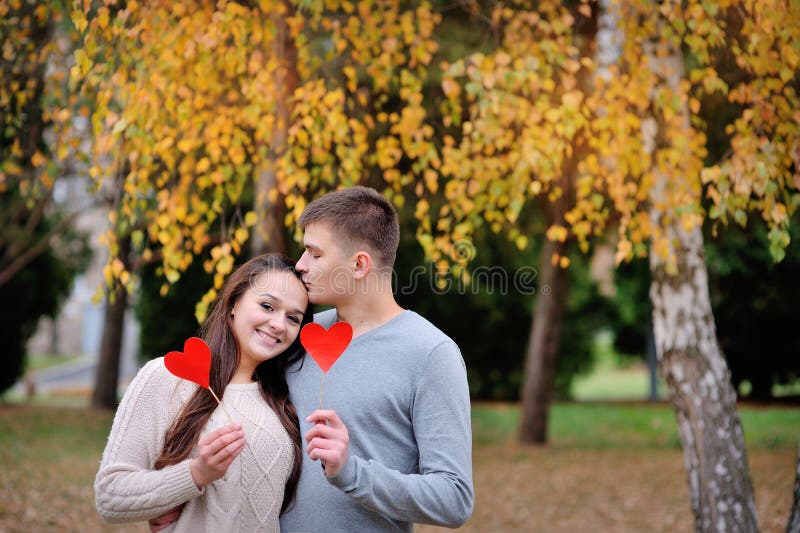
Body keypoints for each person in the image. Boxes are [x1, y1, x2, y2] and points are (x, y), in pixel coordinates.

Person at [282, 186, 474, 531]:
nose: (300, 265)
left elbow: (454, 498)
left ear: (359, 265)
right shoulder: (296, 334)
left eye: (314, 253)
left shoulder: (431, 354)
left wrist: (351, 472)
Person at [95, 254, 313, 532]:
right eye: (267, 306)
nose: (279, 324)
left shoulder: (285, 396)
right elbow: (110, 496)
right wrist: (197, 474)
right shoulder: (167, 378)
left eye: (293, 318)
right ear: (234, 302)